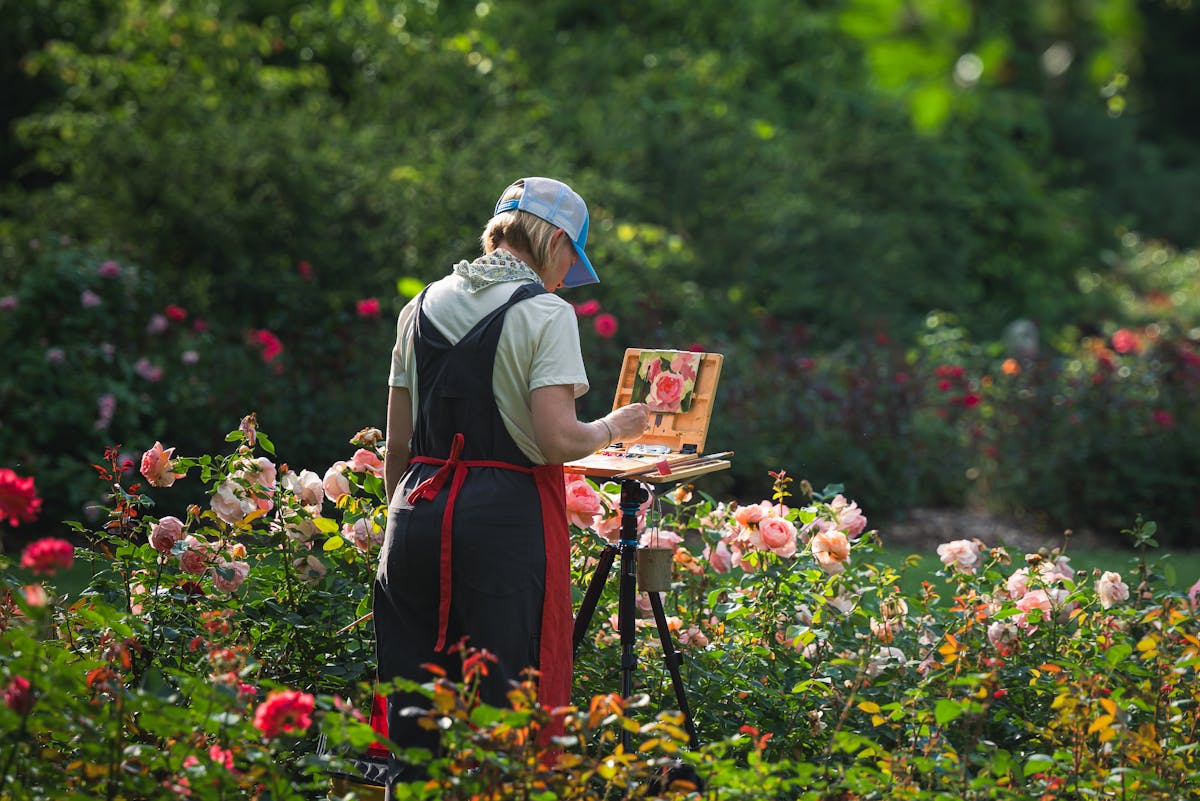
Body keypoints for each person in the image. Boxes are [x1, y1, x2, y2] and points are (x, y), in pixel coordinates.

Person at [374, 176, 649, 788]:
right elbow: (557, 439)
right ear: (552, 240)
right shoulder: (545, 313)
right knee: (508, 701)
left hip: (414, 508)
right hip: (501, 519)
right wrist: (615, 425)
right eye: (568, 260)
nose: (563, 278)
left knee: (414, 702)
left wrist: (399, 523)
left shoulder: (417, 306)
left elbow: (398, 443)